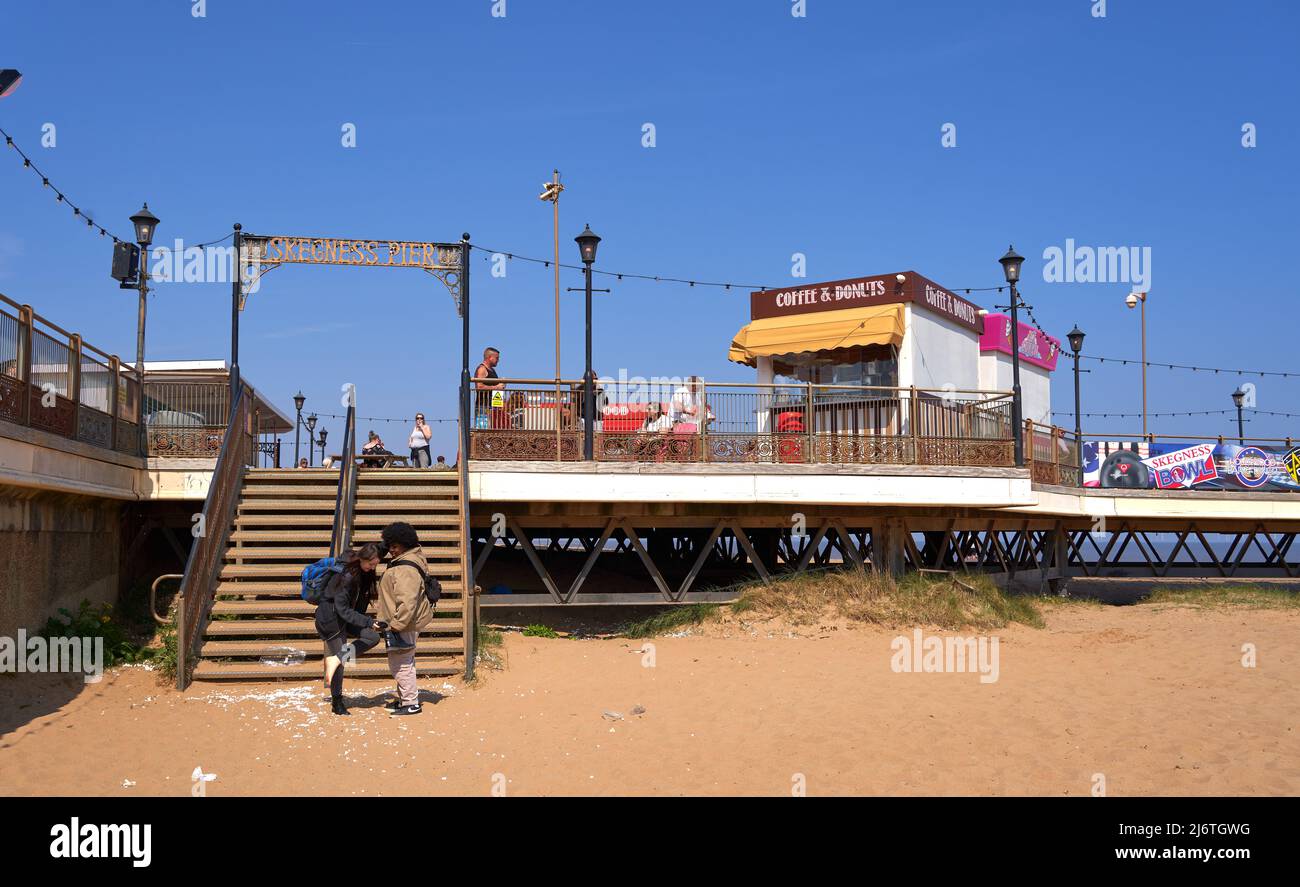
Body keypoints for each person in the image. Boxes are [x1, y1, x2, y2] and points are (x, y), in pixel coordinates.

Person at [314, 544, 383, 716]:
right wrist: (367, 621)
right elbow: (342, 609)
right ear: (361, 559)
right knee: (341, 663)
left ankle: (336, 659)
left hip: (346, 617)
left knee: (372, 638)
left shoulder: (361, 571)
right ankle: (337, 701)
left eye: (375, 565)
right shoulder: (345, 577)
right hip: (331, 619)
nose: (372, 568)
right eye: (371, 564)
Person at [378, 522, 434, 716]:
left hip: (404, 623)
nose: (391, 550)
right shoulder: (408, 560)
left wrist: (396, 625)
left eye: (394, 546)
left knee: (400, 662)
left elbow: (407, 601)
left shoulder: (405, 567)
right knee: (404, 659)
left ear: (405, 543)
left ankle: (411, 703)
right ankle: (405, 699)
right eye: (389, 546)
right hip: (405, 622)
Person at [474, 347, 505, 427]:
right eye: (497, 358)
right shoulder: (482, 369)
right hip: (483, 407)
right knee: (483, 430)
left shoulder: (492, 370)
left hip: (493, 407)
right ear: (490, 357)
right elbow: (479, 387)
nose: (498, 360)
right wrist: (497, 387)